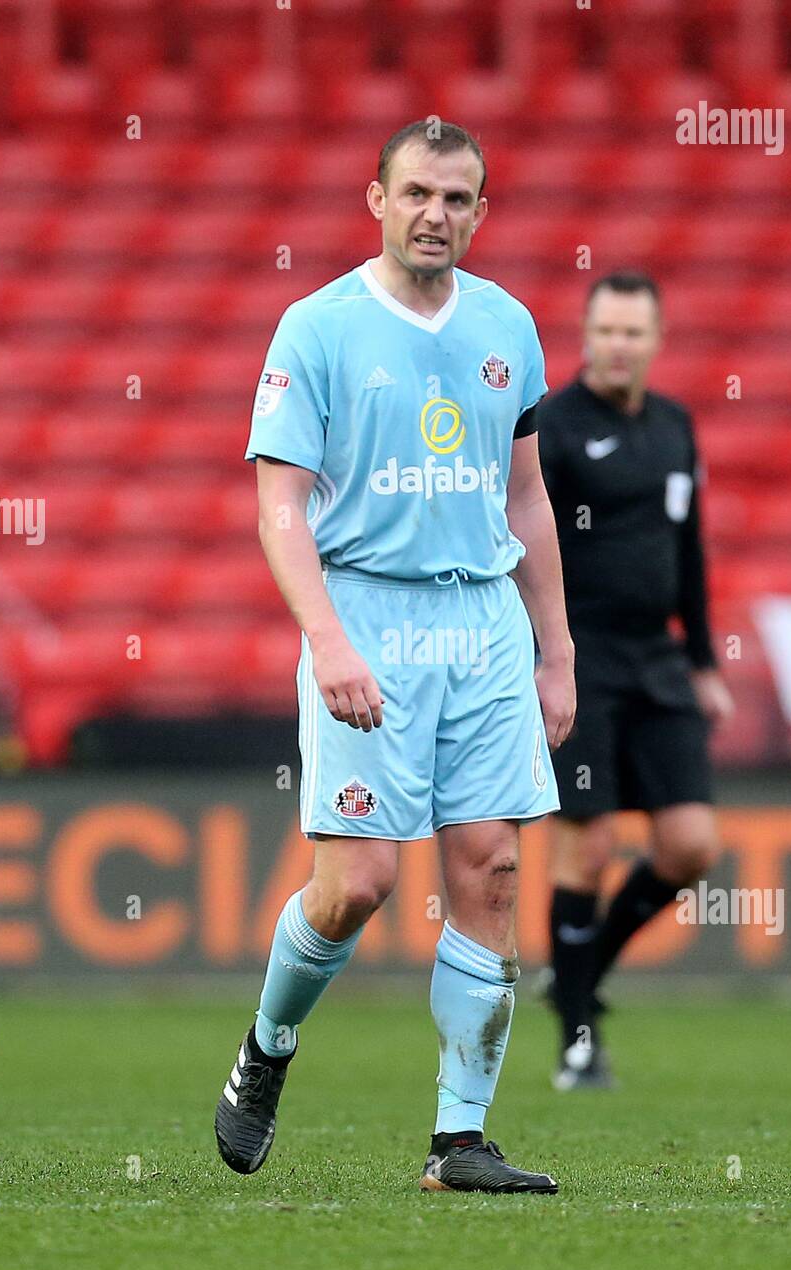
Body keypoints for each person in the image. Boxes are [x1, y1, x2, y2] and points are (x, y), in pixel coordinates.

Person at [214, 120, 576, 1194]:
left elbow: (526, 497)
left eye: (458, 199)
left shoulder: (508, 325)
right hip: (368, 619)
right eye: (417, 192)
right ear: (375, 196)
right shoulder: (316, 326)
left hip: (481, 627)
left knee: (493, 870)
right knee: (358, 884)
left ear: (480, 211)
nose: (436, 214)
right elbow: (278, 507)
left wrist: (556, 649)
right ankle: (267, 1049)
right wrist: (326, 638)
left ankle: (457, 1141)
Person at [538, 272, 733, 1090]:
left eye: (635, 331)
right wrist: (544, 655)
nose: (620, 344)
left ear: (656, 340)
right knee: (588, 847)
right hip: (583, 659)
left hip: (657, 659)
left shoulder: (674, 427)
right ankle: (579, 1037)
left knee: (690, 846)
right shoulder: (551, 426)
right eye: (607, 330)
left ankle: (575, 979)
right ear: (587, 336)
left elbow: (687, 549)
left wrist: (703, 662)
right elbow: (523, 537)